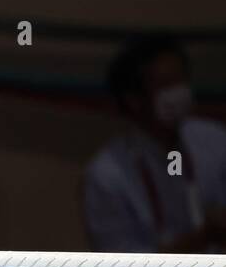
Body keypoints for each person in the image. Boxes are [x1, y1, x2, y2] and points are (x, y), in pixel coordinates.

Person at [83, 36, 226, 255]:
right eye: (167, 84)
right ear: (134, 99)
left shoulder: (213, 139)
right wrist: (203, 237)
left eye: (183, 81)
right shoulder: (107, 175)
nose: (181, 92)